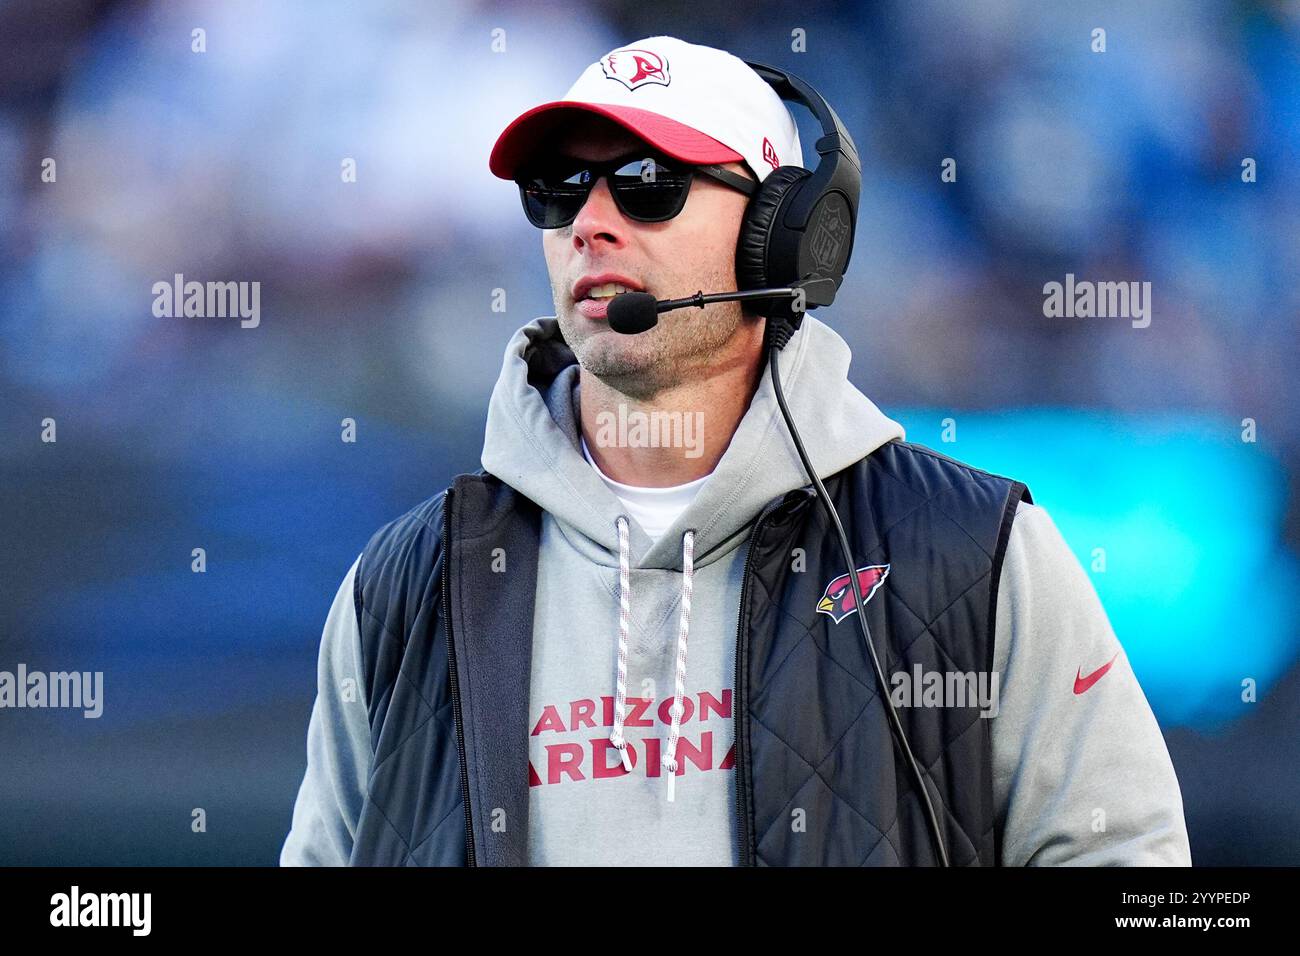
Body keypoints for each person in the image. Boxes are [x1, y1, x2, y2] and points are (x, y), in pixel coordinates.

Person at [280, 36, 1191, 866]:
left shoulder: (973, 551)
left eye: (646, 182)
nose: (590, 224)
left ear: (782, 232)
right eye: (559, 191)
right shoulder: (404, 585)